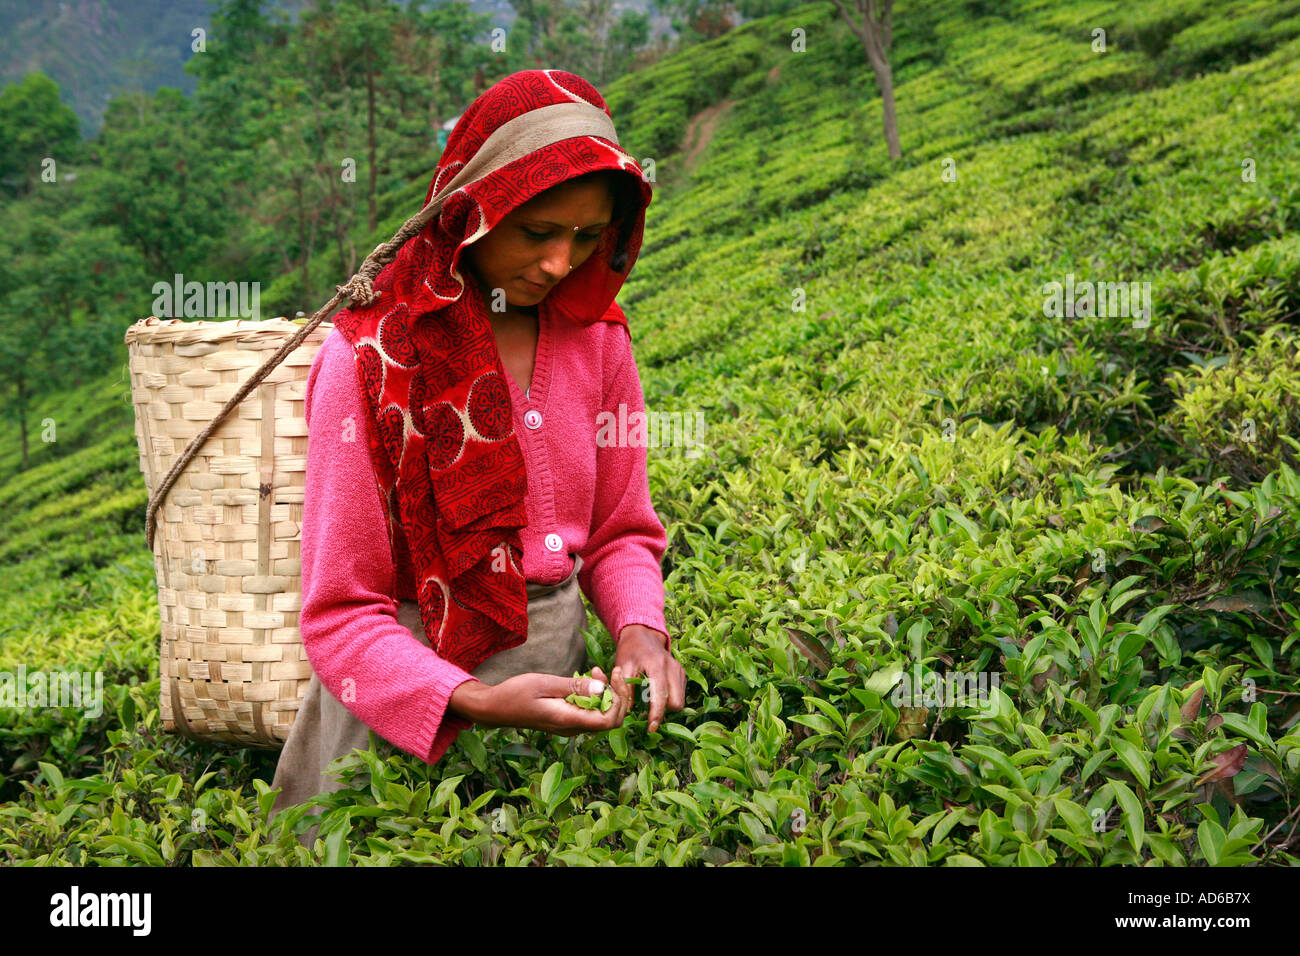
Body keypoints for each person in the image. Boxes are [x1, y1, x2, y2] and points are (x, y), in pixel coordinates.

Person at [269, 69, 685, 846]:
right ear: (471, 212)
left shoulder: (598, 341)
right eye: (537, 233)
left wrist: (640, 632)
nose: (562, 263)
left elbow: (623, 533)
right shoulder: (371, 358)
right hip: (391, 724)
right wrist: (473, 699)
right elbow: (340, 613)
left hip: (550, 719)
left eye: (589, 237)